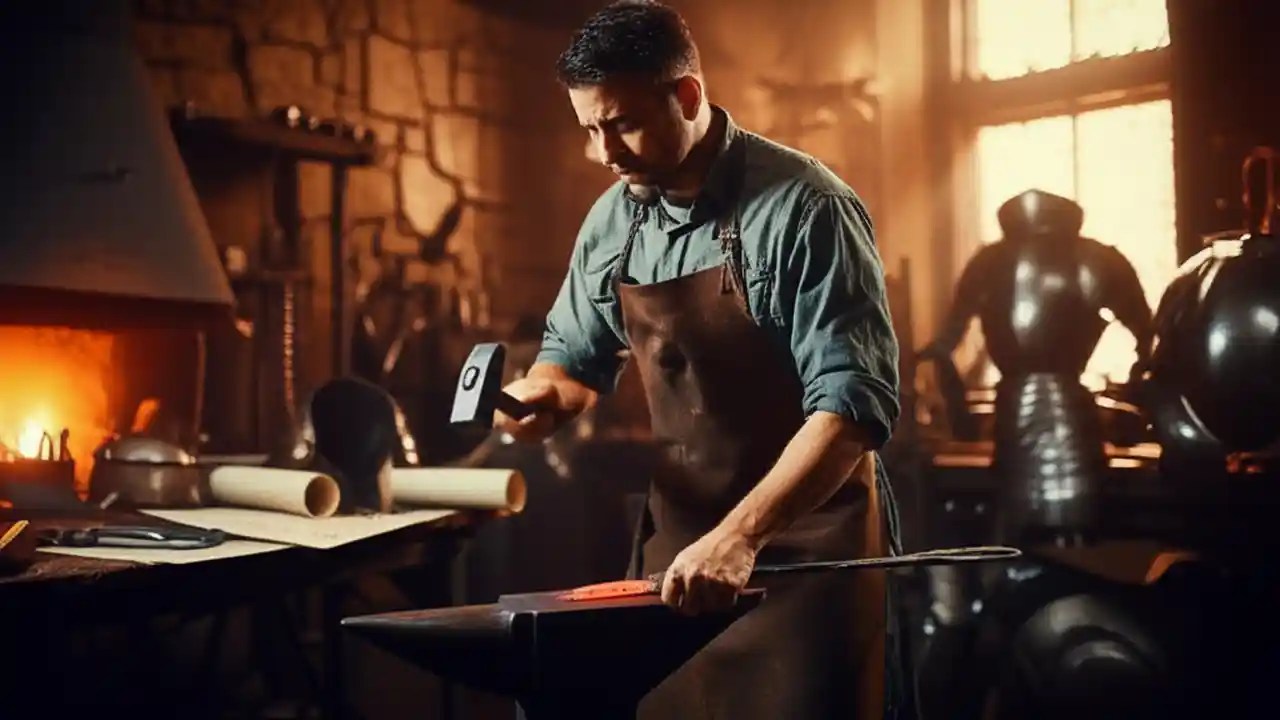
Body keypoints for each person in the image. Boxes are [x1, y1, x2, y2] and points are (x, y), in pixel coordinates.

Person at [496, 1, 905, 718]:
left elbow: (850, 412)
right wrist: (541, 399)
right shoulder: (614, 219)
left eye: (619, 123)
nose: (603, 152)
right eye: (589, 128)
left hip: (809, 558)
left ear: (686, 96)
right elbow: (572, 359)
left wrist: (742, 537)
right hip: (679, 556)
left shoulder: (806, 208)